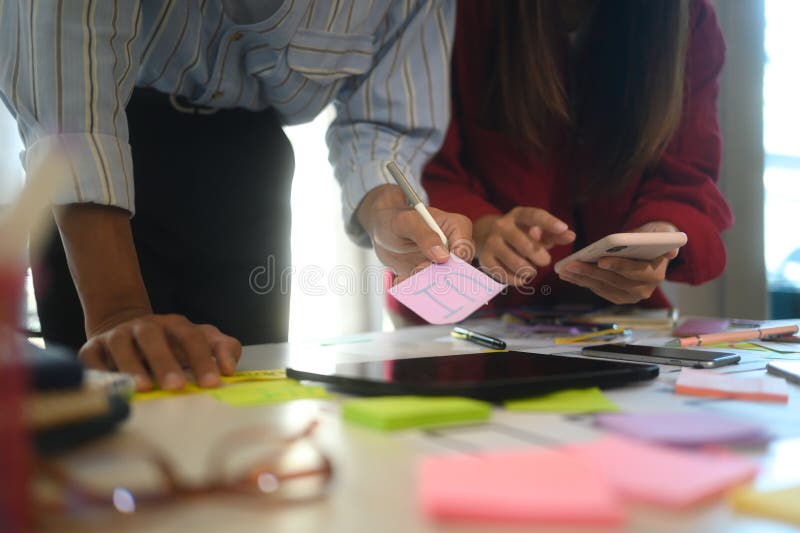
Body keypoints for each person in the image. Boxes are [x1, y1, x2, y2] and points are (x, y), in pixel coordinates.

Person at [0, 0, 472, 391]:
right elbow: (67, 85)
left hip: (251, 169)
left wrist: (386, 213)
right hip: (100, 168)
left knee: (242, 394)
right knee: (105, 412)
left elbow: (381, 125)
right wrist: (115, 313)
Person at [394, 0, 733, 320]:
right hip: (456, 308)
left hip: (608, 320)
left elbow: (685, 177)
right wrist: (482, 230)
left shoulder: (685, 16)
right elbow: (412, 168)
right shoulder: (452, 10)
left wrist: (658, 235)